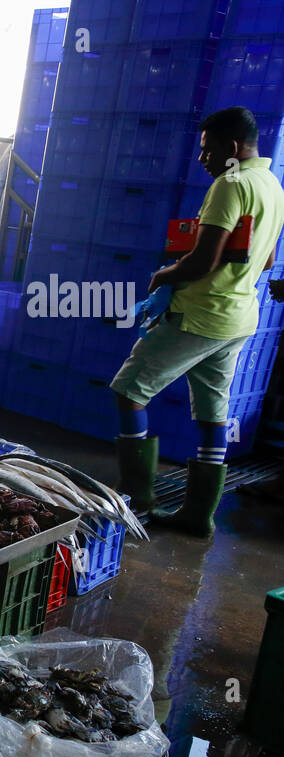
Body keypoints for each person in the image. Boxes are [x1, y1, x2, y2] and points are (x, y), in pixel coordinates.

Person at [112, 106, 284, 536]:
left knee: (130, 390)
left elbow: (202, 261)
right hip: (240, 316)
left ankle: (137, 495)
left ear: (232, 147)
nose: (202, 159)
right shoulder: (271, 184)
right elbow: (265, 261)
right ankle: (198, 513)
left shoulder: (231, 184)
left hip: (199, 316)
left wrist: (163, 276)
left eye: (207, 150)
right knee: (212, 412)